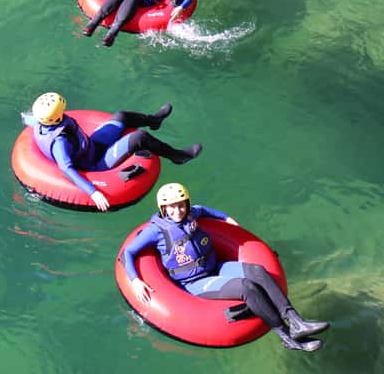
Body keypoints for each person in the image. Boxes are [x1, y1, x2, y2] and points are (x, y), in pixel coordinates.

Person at [121, 183, 331, 352]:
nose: (178, 210)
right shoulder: (155, 231)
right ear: (163, 209)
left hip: (217, 267)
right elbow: (128, 253)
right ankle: (287, 337)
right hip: (194, 282)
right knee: (247, 287)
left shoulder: (191, 213)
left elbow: (204, 209)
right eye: (172, 207)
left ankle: (296, 321)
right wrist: (135, 280)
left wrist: (226, 218)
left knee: (257, 271)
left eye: (181, 204)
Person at [20, 93, 202, 211]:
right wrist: (92, 192)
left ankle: (155, 120)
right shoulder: (60, 142)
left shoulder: (41, 121)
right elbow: (66, 168)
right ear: (57, 116)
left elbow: (29, 119)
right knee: (139, 138)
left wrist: (23, 117)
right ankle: (178, 157)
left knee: (121, 116)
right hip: (95, 163)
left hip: (90, 146)